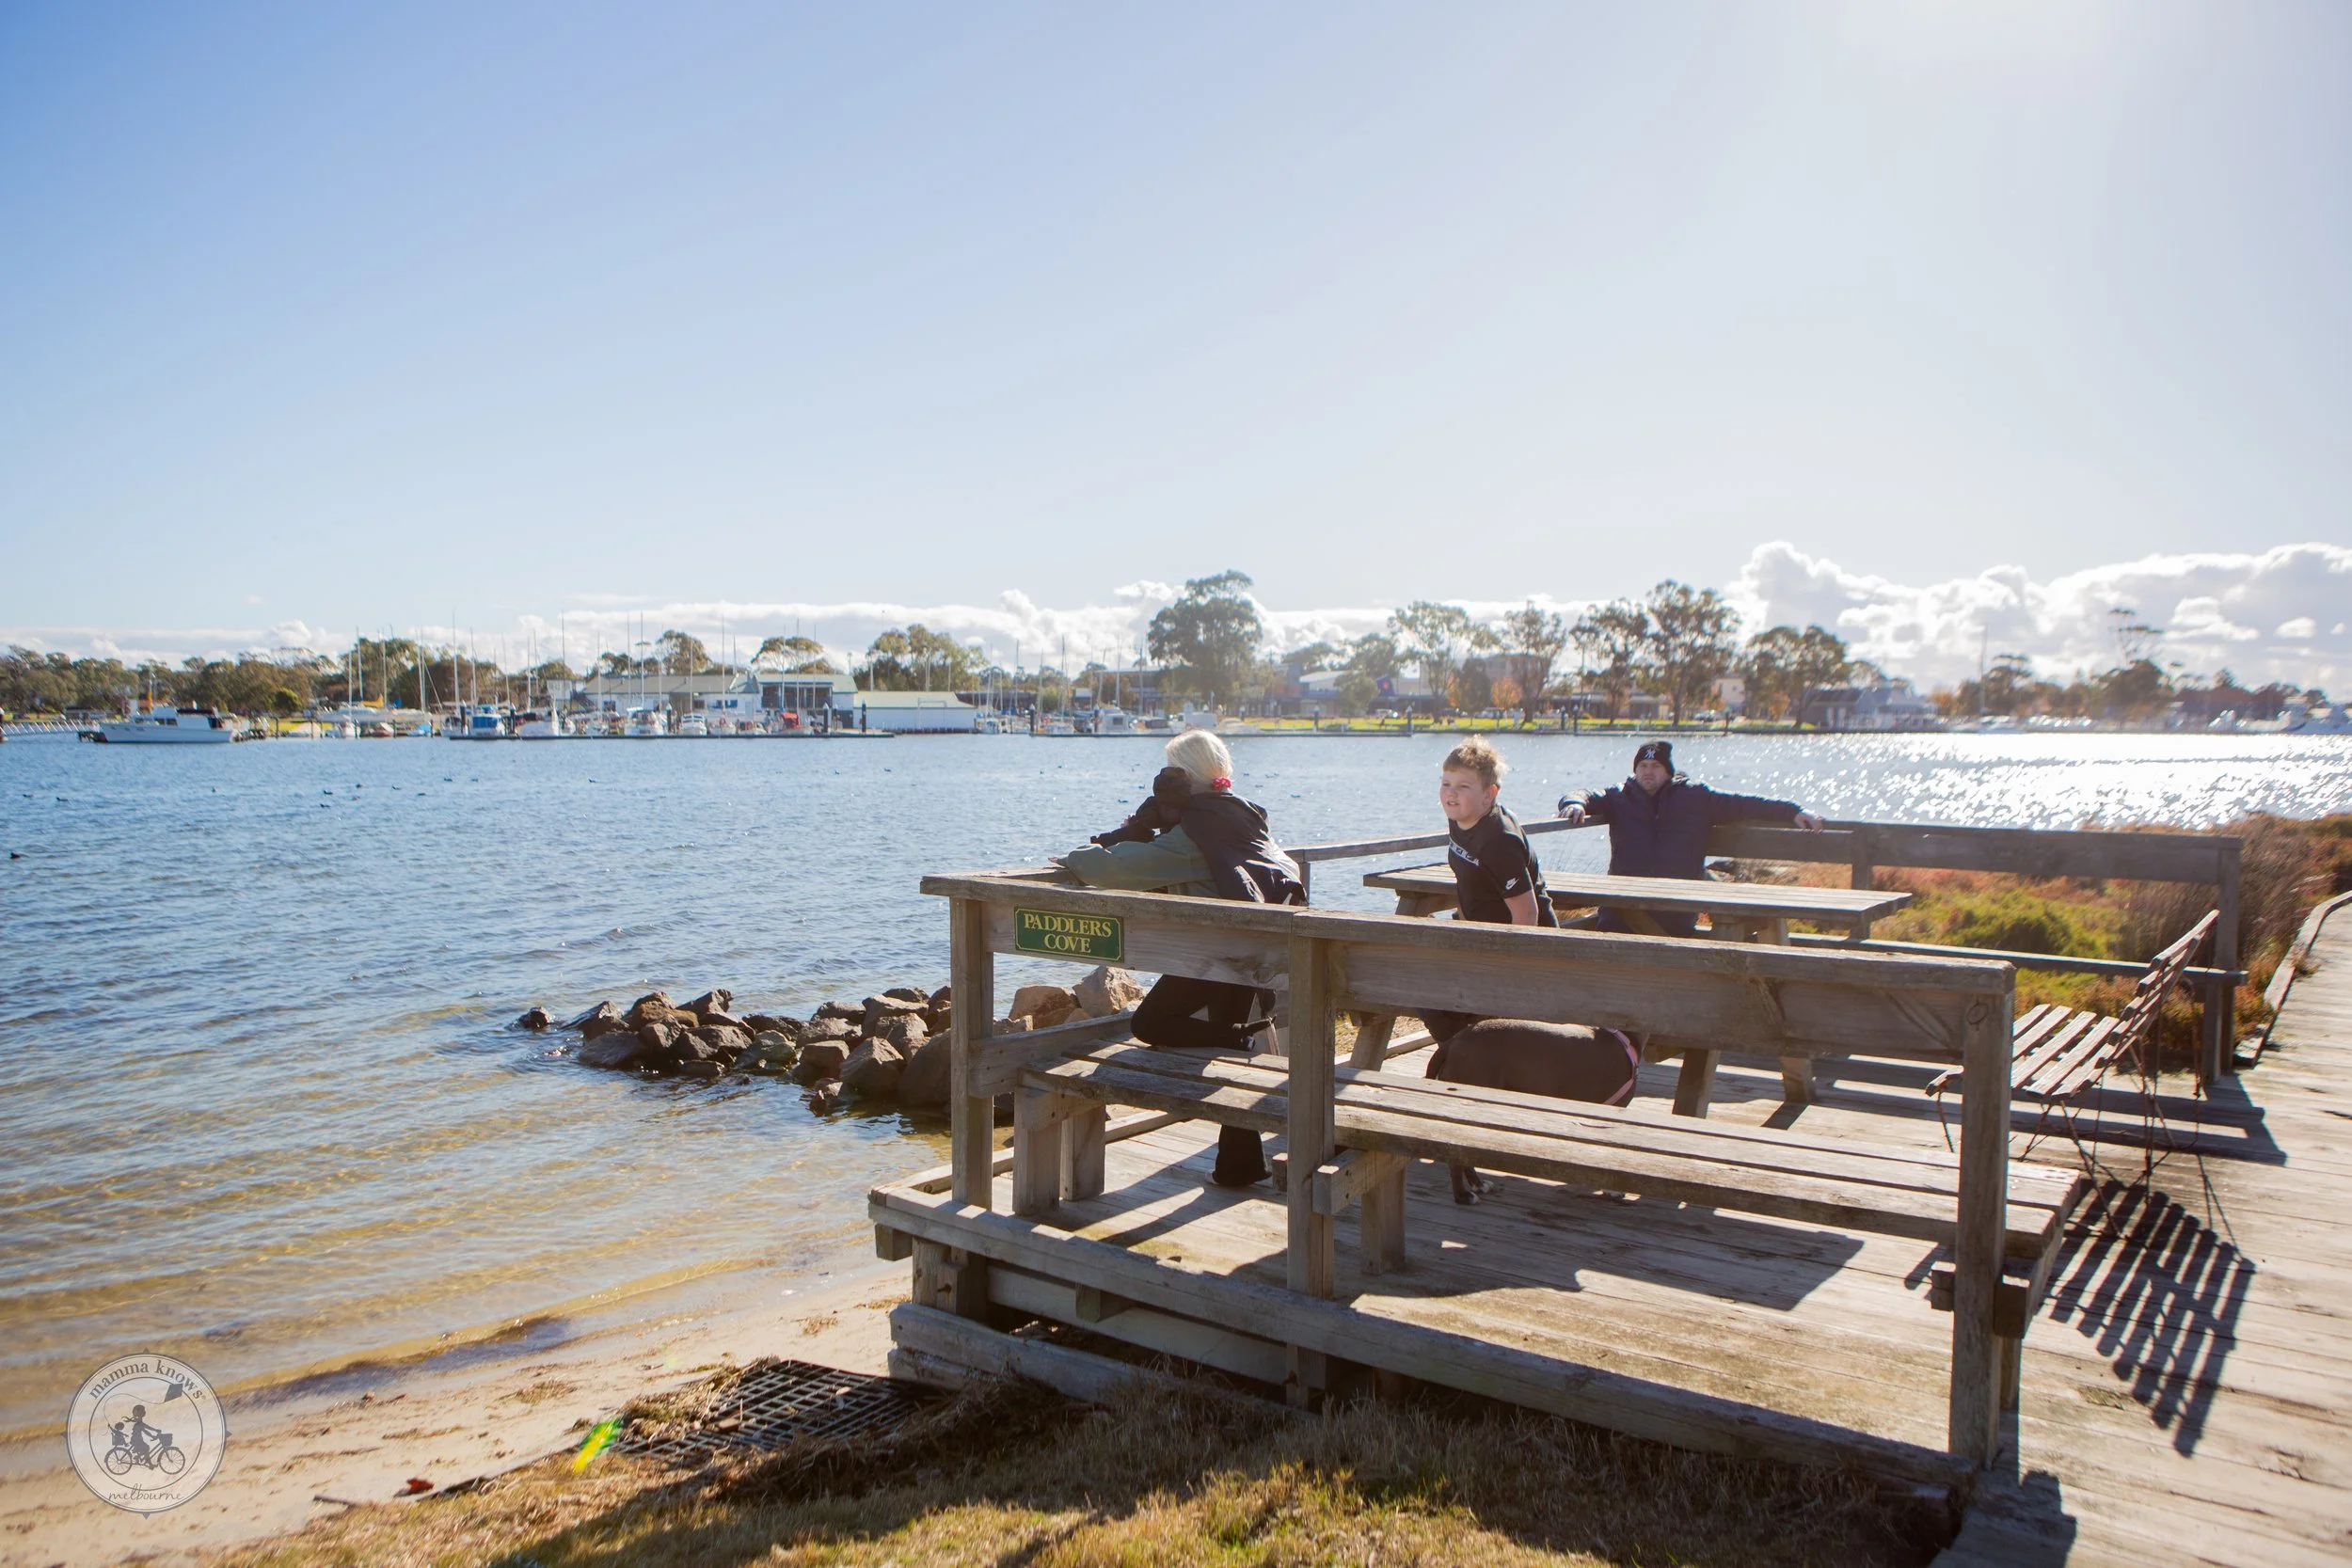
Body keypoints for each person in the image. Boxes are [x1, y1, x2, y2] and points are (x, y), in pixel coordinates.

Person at [1058, 730, 1301, 1187]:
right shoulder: (1241, 814)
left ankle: (1241, 1041)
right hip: (1248, 950)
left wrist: (1086, 850)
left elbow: (1114, 868)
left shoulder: (1193, 835)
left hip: (1216, 954)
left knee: (1150, 1023)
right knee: (1228, 1051)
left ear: (1185, 778)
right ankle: (1239, 1164)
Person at [1419, 738, 1640, 1203]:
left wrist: (1510, 977)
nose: (1451, 793)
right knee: (1426, 995)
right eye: (1445, 783)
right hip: (1485, 947)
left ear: (1490, 794)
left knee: (1449, 1010)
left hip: (1523, 954)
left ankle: (1479, 1102)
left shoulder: (1499, 839)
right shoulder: (1461, 821)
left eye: (1463, 786)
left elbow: (1527, 915)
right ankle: (1467, 1094)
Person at [1557, 740, 1825, 937]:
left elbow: (1745, 804)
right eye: (1643, 766)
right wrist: (1574, 804)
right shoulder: (1619, 797)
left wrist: (1793, 811)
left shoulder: (1695, 797)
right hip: (1621, 909)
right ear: (1635, 769)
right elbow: (1583, 794)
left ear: (1668, 771)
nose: (1648, 771)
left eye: (1656, 766)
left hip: (1676, 908)